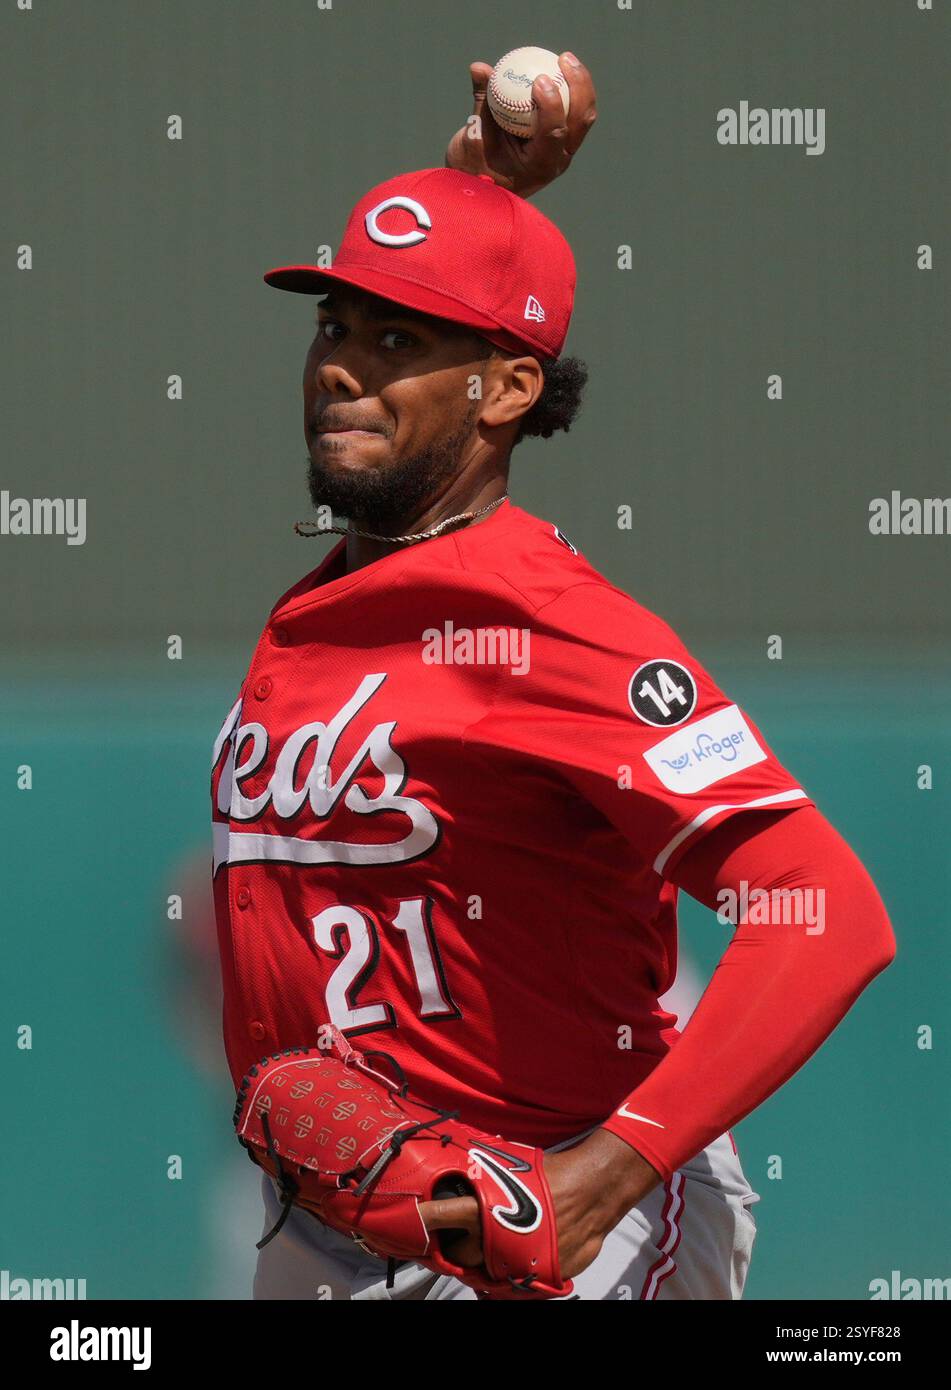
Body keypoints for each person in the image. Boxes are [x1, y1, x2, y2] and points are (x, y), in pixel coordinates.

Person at [210, 56, 895, 1300]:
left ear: (508, 388)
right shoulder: (335, 595)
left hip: (542, 1218)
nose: (342, 366)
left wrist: (609, 1172)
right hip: (337, 1227)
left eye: (399, 338)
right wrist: (477, 185)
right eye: (336, 324)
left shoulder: (548, 623)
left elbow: (829, 908)